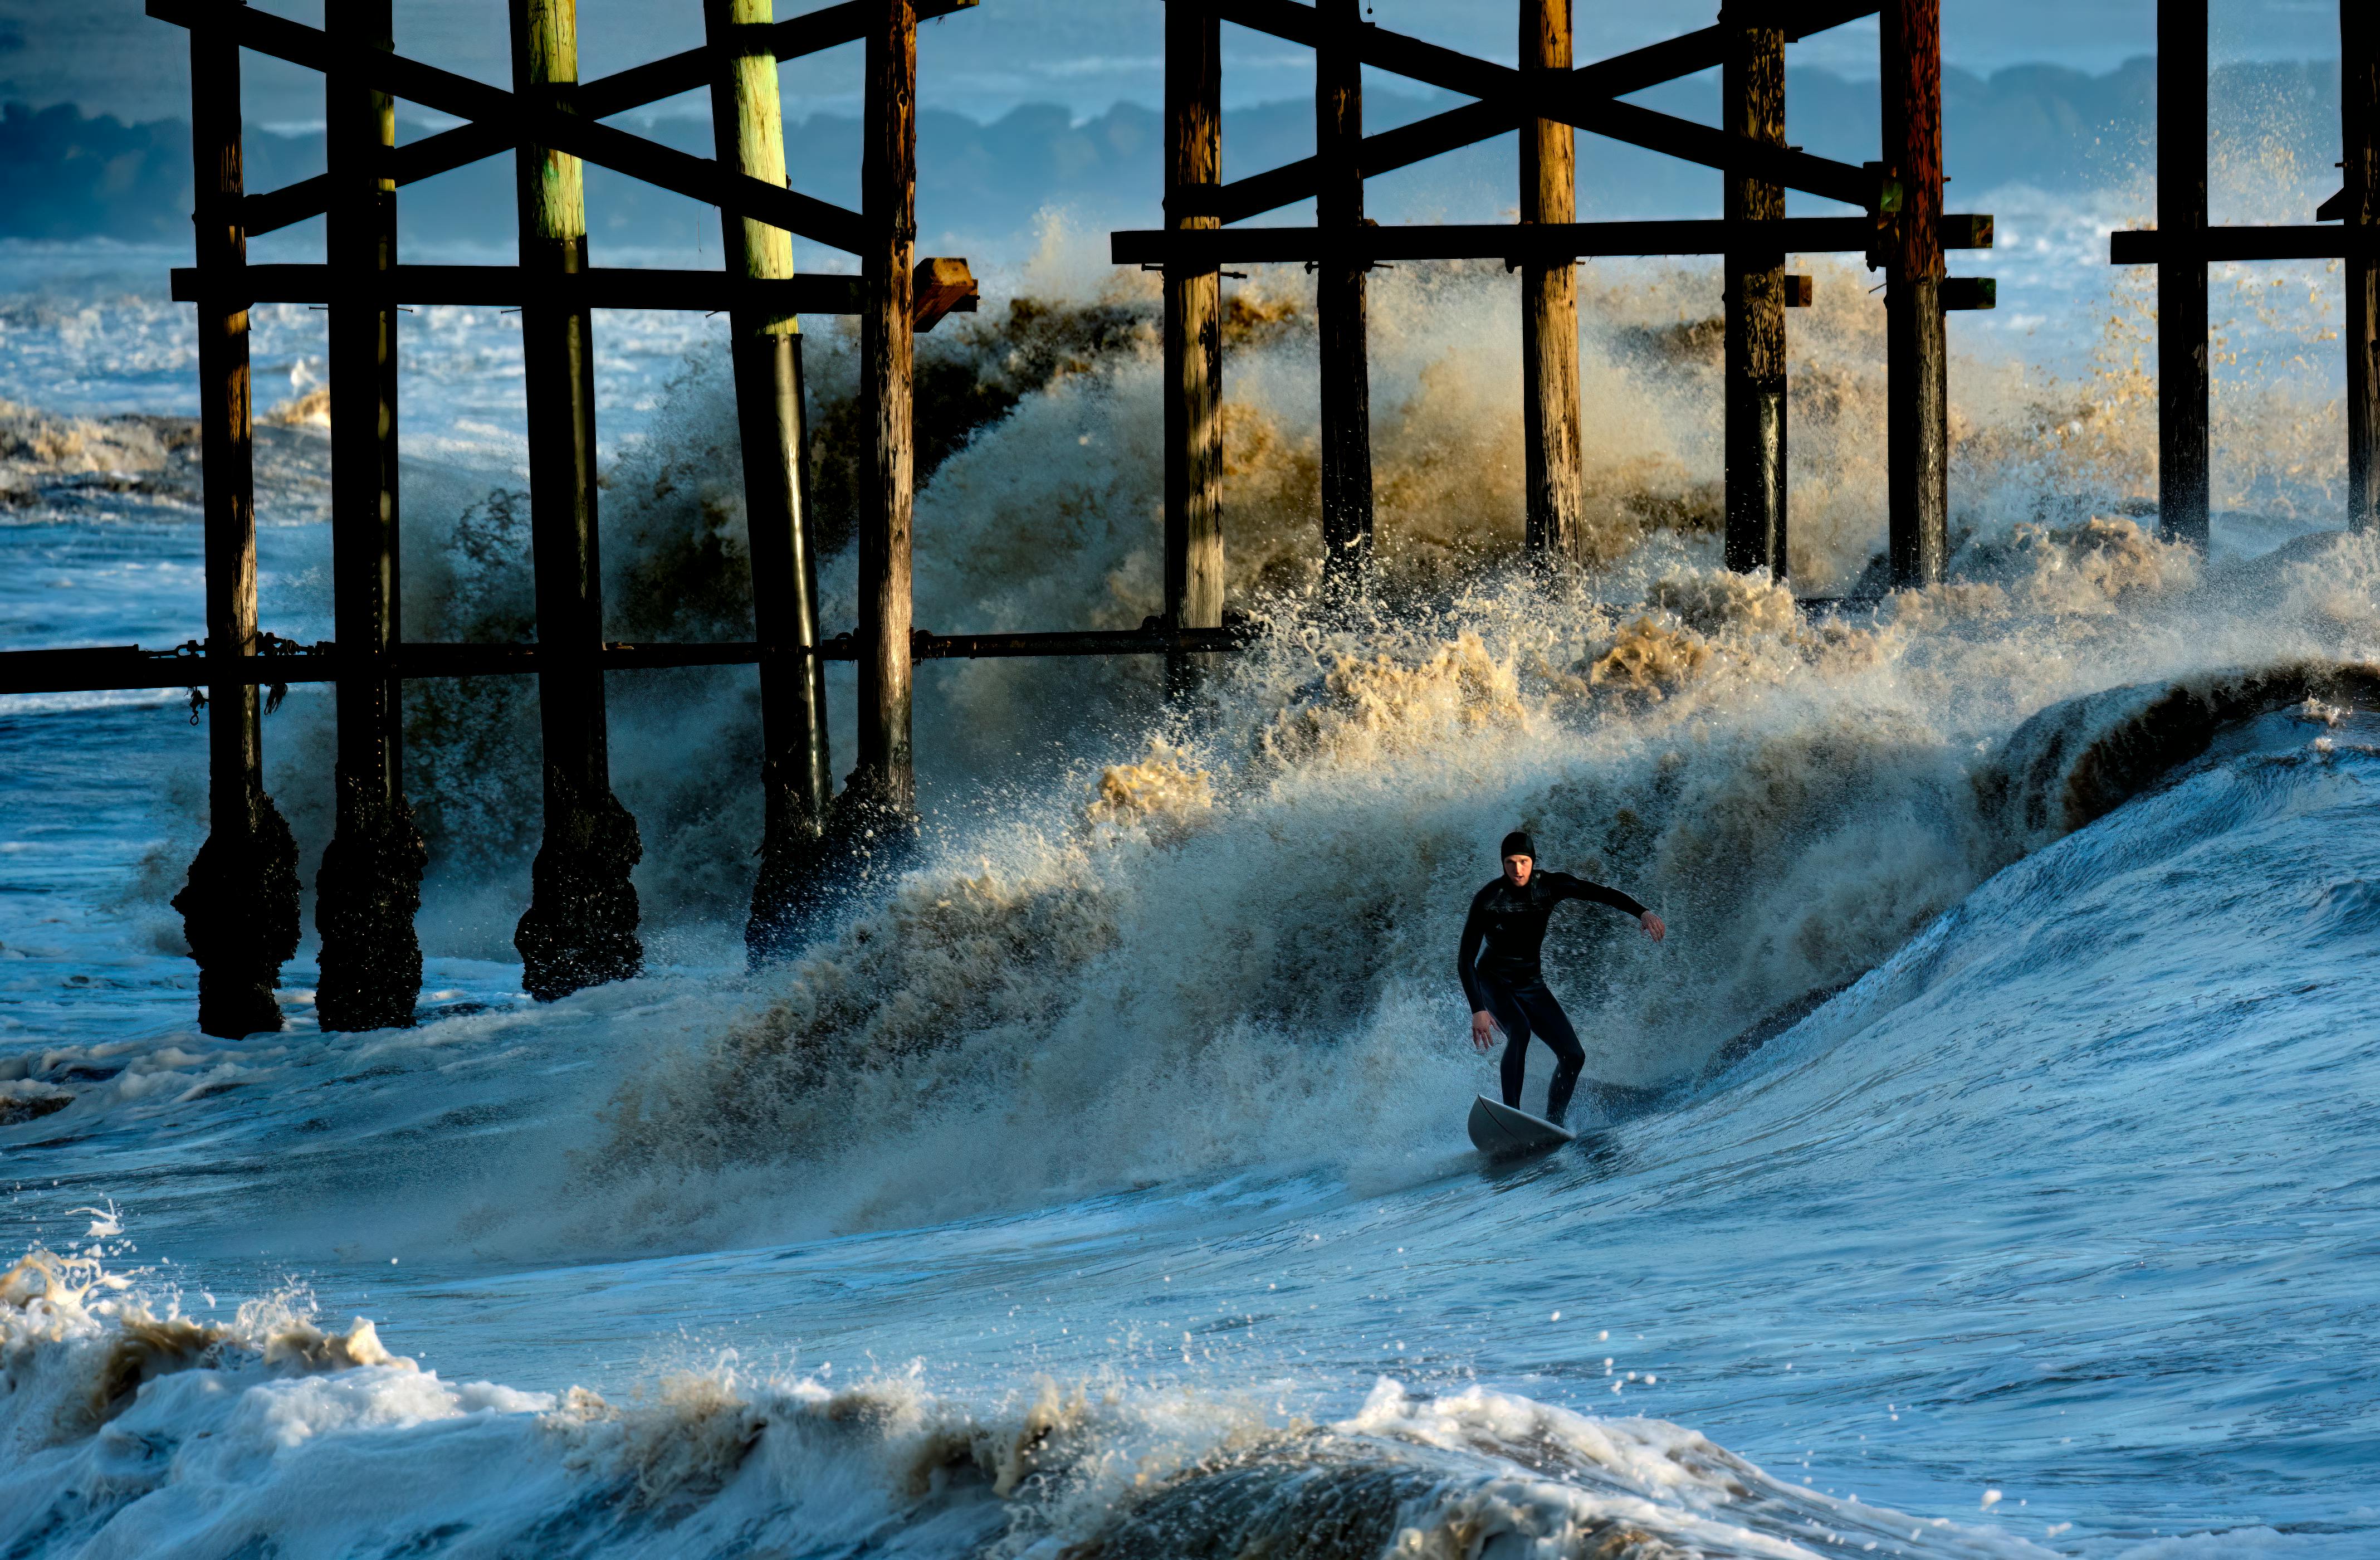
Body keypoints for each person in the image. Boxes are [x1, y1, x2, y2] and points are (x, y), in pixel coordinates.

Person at [1457, 830, 1664, 1127]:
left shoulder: (1550, 886)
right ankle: (1511, 1116)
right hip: (1491, 979)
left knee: (1573, 1056)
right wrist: (1478, 1008)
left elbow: (1602, 893)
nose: (1518, 870)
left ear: (1533, 861)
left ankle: (1553, 1123)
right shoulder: (1488, 899)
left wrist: (1642, 913)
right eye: (1511, 863)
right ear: (1503, 864)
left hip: (1531, 982)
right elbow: (1465, 959)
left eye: (1524, 862)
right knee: (1520, 1031)